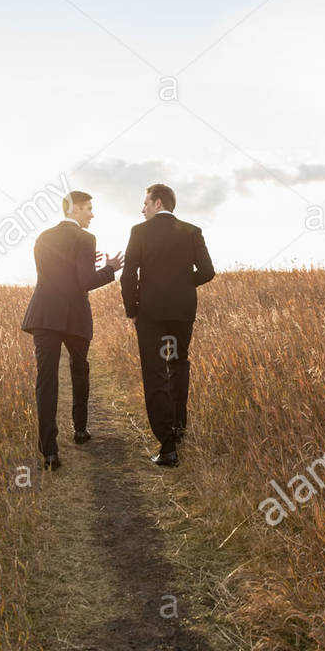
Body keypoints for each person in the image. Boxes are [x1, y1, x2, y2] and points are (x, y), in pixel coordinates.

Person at [20, 191, 123, 470]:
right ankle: (80, 430)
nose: (91, 213)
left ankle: (49, 452)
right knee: (79, 370)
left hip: (43, 315)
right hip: (74, 317)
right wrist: (110, 269)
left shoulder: (43, 237)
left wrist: (87, 263)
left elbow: (55, 274)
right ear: (75, 209)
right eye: (88, 208)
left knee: (46, 381)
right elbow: (84, 281)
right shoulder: (85, 238)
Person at [119, 183, 215, 467]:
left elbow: (128, 276)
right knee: (177, 365)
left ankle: (168, 445)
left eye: (146, 203)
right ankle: (178, 429)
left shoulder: (139, 232)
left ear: (158, 203)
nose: (143, 209)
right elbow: (208, 272)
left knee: (155, 372)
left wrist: (132, 310)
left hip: (151, 315)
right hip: (182, 312)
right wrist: (183, 286)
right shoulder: (192, 231)